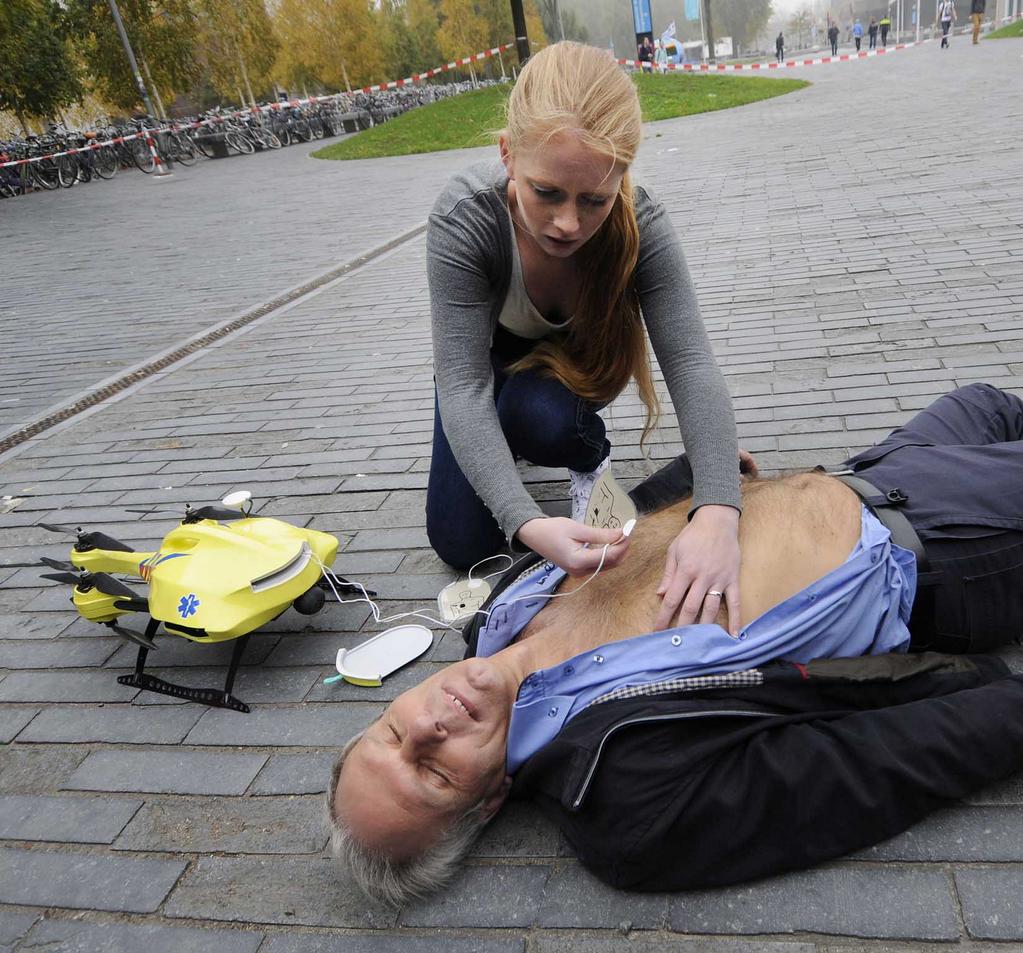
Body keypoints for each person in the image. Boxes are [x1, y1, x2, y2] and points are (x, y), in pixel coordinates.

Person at [331, 383, 1023, 904]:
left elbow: (617, 551)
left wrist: (684, 483)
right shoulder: (626, 797)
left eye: (392, 732)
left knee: (985, 402)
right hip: (952, 547)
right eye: (433, 769)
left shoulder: (498, 614)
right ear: (488, 800)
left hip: (870, 469)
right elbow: (862, 769)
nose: (430, 722)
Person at [425, 42, 743, 639]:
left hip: (565, 371)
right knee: (461, 542)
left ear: (620, 179)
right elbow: (462, 384)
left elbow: (692, 362)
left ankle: (588, 458)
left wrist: (720, 509)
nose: (568, 223)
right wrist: (524, 520)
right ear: (506, 155)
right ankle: (509, 443)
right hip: (480, 367)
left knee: (539, 417)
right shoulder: (465, 217)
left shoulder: (642, 222)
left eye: (594, 200)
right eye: (547, 192)